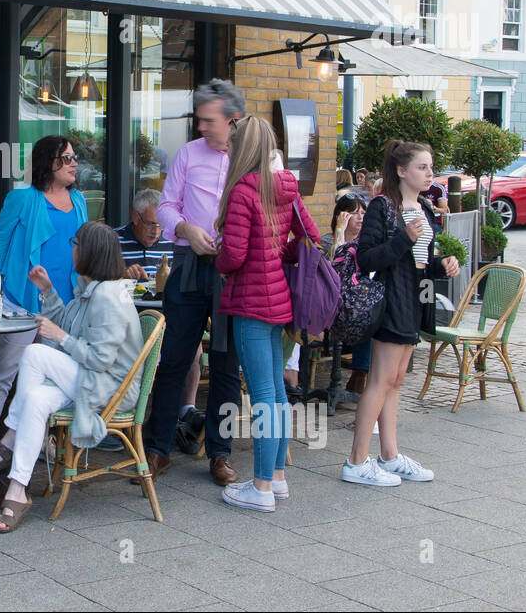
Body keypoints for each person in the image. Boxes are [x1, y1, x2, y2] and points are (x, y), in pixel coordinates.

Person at [0, 222, 142, 533]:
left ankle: (9, 438)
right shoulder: (90, 289)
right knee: (36, 399)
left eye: (75, 243)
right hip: (88, 380)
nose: (72, 249)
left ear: (89, 251)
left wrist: (61, 338)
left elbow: (100, 359)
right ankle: (17, 489)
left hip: (110, 388)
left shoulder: (108, 296)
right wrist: (48, 291)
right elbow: (68, 322)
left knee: (37, 354)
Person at [213, 117, 320, 512]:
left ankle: (258, 488)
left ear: (242, 148)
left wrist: (220, 254)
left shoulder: (243, 191)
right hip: (280, 302)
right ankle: (276, 477)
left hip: (251, 302)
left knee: (261, 397)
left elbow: (235, 256)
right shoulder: (286, 187)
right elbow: (310, 239)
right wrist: (277, 252)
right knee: (275, 392)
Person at [343, 141, 460, 487]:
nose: (429, 174)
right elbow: (367, 259)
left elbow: (419, 262)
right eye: (422, 167)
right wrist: (405, 239)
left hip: (415, 300)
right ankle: (356, 460)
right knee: (380, 380)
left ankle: (390, 456)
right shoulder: (383, 206)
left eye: (431, 167)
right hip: (392, 300)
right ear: (401, 171)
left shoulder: (423, 207)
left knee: (396, 381)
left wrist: (442, 265)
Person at [149, 79, 243, 485]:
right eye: (199, 120)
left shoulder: (255, 157)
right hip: (189, 265)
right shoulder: (188, 154)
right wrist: (185, 228)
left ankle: (220, 454)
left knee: (225, 364)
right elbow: (165, 205)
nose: (201, 127)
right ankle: (156, 449)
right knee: (173, 359)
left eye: (209, 121)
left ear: (232, 119)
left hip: (234, 271)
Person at [0, 135, 88, 437]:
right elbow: (0, 237)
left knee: (49, 376)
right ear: (48, 162)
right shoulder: (23, 198)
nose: (74, 163)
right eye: (66, 158)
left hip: (62, 302)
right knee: (5, 372)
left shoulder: (78, 199)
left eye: (74, 157)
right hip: (22, 300)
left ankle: (41, 439)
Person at [325, 193, 372, 395]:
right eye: (354, 213)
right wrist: (340, 234)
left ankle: (361, 373)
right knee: (362, 315)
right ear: (342, 216)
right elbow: (332, 269)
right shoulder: (327, 241)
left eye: (363, 212)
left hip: (357, 303)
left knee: (368, 316)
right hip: (331, 303)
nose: (361, 217)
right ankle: (360, 374)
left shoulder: (368, 243)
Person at [116, 188, 176, 281]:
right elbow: (98, 278)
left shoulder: (171, 241)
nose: (156, 232)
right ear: (135, 217)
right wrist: (121, 275)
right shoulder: (113, 240)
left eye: (161, 224)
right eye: (150, 224)